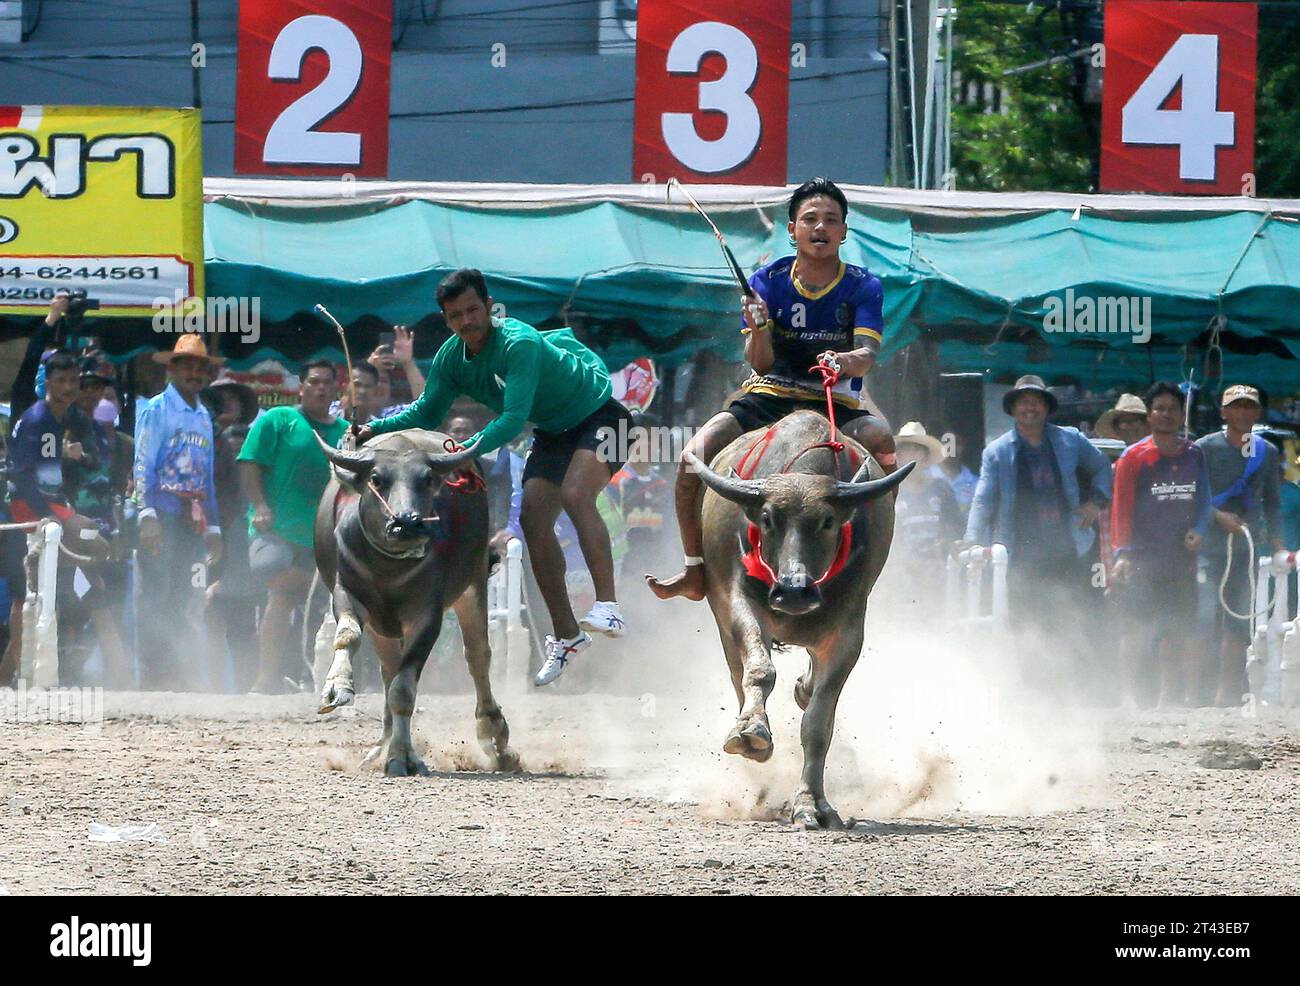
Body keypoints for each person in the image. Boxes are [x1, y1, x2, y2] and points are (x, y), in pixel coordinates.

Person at [354, 268, 633, 687]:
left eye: (472, 310)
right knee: (534, 523)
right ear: (446, 320)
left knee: (577, 495)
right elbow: (428, 412)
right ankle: (567, 635)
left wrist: (463, 452)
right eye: (455, 316)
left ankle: (608, 605)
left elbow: (512, 419)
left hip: (605, 418)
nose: (466, 322)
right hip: (554, 432)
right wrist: (375, 429)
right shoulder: (451, 358)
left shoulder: (518, 342)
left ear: (488, 306)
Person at [648, 177, 896, 602]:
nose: (820, 228)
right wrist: (760, 326)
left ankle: (869, 561)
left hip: (834, 399)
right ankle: (694, 568)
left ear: (844, 232)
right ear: (792, 229)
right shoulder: (767, 280)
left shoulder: (864, 285)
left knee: (883, 442)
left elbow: (867, 354)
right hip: (770, 394)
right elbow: (759, 361)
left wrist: (840, 361)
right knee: (691, 460)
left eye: (831, 221)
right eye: (810, 219)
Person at [964, 375, 1112, 692]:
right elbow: (983, 498)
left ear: (1046, 407)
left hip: (1069, 547)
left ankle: (1079, 689)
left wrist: (1096, 502)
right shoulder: (997, 452)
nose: (1030, 407)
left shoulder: (1070, 439)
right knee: (1026, 622)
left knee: (1074, 617)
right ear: (1014, 408)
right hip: (1022, 554)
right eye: (1023, 401)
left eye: (1036, 401)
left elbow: (1102, 466)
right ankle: (1035, 691)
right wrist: (972, 539)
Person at [239, 359, 347, 693]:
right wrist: (260, 505)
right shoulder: (279, 419)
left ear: (336, 389)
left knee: (311, 600)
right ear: (301, 386)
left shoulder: (345, 432)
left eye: (327, 383)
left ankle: (320, 678)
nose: (320, 388)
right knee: (277, 579)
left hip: (324, 536)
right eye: (314, 381)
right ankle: (266, 677)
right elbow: (249, 463)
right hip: (276, 530)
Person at [1108, 382, 1212, 706]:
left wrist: (1200, 528)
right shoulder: (1133, 457)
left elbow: (1205, 501)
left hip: (1181, 558)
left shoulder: (1195, 453)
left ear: (1182, 414)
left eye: (1173, 409)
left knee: (1176, 629)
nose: (1166, 414)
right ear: (1150, 416)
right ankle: (1130, 697)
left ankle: (1170, 699)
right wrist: (1121, 553)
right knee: (1135, 629)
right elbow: (1120, 509)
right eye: (1160, 409)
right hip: (1141, 557)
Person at [133, 334, 225, 689]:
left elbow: (209, 474)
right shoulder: (157, 409)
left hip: (193, 519)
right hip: (163, 513)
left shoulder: (203, 415)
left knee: (184, 592)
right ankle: (152, 678)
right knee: (155, 591)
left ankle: (176, 674)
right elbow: (143, 464)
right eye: (187, 365)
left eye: (200, 367)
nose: (195, 373)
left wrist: (214, 527)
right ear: (172, 369)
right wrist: (146, 514)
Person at [1194, 385, 1284, 707]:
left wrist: (1276, 543)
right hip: (1207, 547)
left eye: (1250, 406)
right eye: (1237, 406)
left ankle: (1225, 693)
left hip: (1245, 549)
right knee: (1203, 618)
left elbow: (1272, 502)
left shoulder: (1268, 452)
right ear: (1224, 412)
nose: (1243, 412)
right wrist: (1217, 516)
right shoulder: (1203, 448)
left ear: (1257, 413)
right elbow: (1193, 497)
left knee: (1239, 622)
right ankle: (1195, 691)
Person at [891, 422, 963, 608]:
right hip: (902, 574)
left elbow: (956, 526)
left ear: (925, 456)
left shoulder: (941, 488)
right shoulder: (890, 491)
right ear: (897, 456)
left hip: (937, 570)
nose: (910, 455)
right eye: (905, 450)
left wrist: (949, 544)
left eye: (917, 450)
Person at [930, 429, 978, 518]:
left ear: (964, 445)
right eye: (947, 442)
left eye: (957, 443)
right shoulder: (926, 478)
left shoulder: (975, 484)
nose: (952, 448)